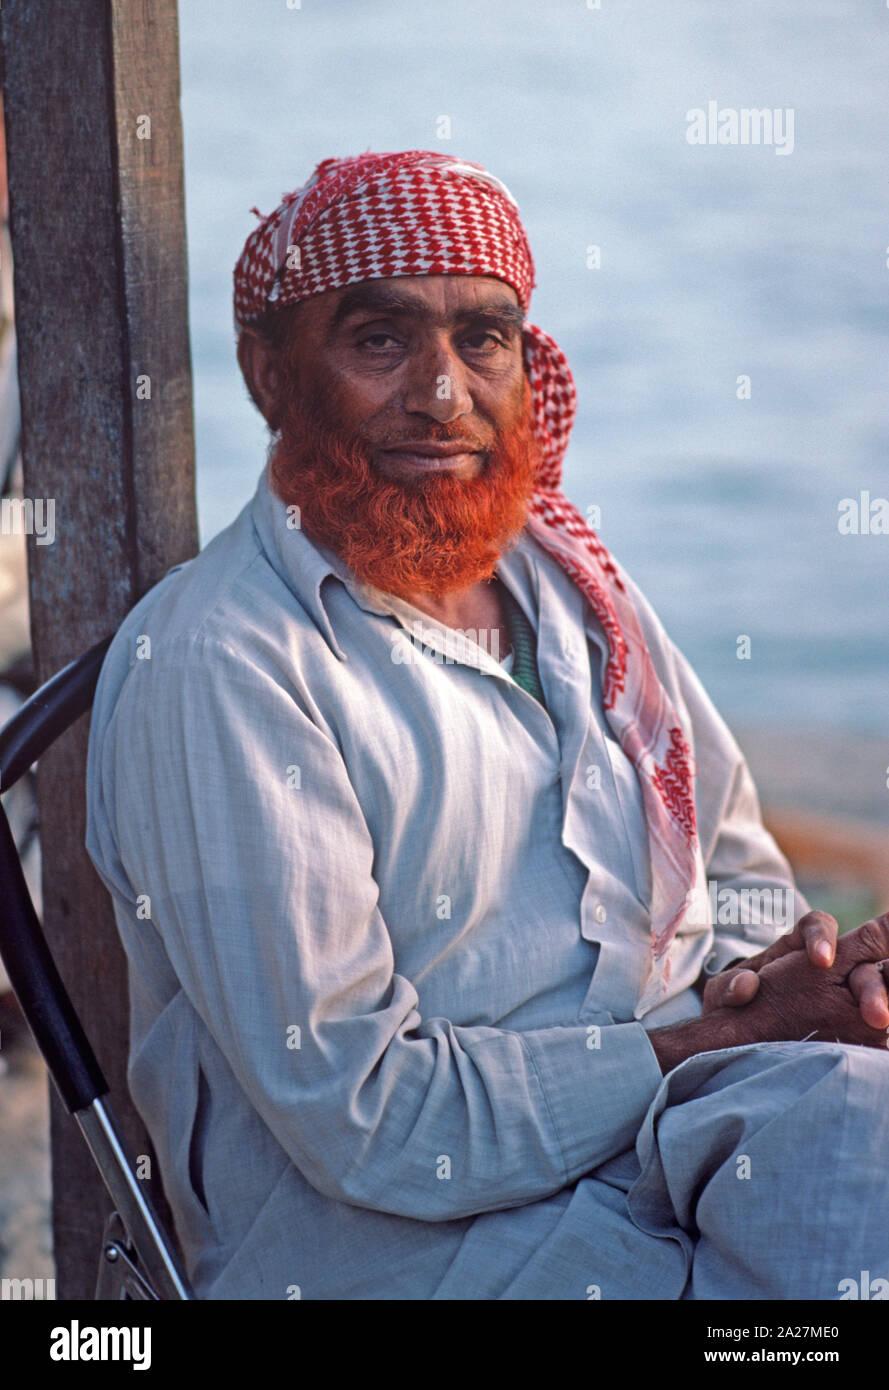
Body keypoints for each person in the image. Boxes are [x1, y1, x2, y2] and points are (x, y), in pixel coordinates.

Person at [85, 150, 889, 1301]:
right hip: (416, 1249)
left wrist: (792, 980)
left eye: (483, 339)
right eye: (379, 339)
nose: (442, 393)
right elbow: (363, 1118)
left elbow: (732, 868)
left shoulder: (573, 586)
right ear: (271, 373)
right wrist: (695, 1047)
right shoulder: (223, 663)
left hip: (676, 1137)